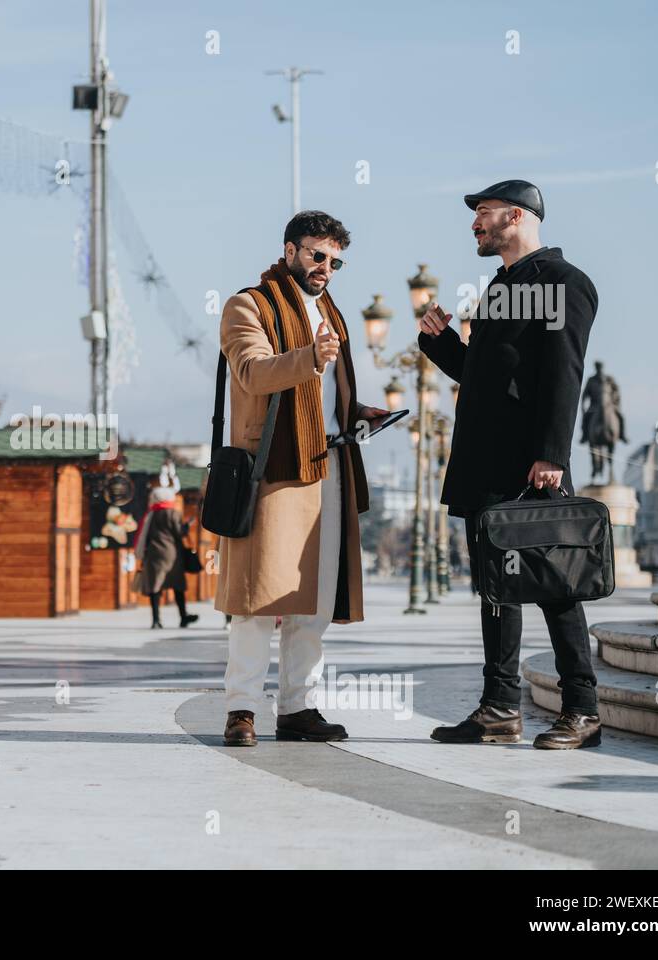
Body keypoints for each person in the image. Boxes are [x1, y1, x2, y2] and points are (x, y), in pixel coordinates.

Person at [418, 179, 602, 750]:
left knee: (556, 587)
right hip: (486, 462)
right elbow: (486, 377)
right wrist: (441, 341)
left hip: (530, 465)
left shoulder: (565, 283)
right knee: (497, 587)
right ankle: (499, 708)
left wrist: (552, 453)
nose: (475, 223)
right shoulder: (501, 288)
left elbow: (565, 373)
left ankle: (583, 710)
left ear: (517, 216)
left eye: (485, 213)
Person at [215, 211, 386, 747]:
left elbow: (324, 398)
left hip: (330, 464)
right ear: (289, 251)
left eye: (336, 260)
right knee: (257, 599)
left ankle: (296, 707)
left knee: (312, 601)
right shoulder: (249, 304)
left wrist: (357, 412)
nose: (326, 268)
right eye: (317, 255)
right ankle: (241, 709)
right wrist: (310, 357)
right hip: (275, 469)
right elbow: (252, 372)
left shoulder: (330, 310)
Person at [133, 485, 198, 629]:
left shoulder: (150, 515)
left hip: (153, 554)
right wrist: (187, 526)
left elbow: (144, 536)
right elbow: (179, 532)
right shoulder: (172, 513)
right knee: (177, 586)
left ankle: (156, 620)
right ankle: (183, 617)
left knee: (155, 586)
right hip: (171, 554)